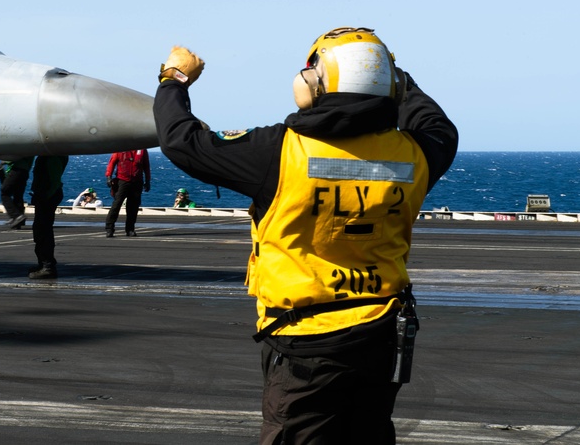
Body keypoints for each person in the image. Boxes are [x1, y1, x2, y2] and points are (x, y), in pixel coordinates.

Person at [153, 29, 458, 445]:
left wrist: (174, 79)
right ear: (393, 86)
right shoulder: (418, 152)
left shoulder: (278, 152)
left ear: (318, 81)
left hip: (307, 343)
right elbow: (436, 124)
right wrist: (400, 82)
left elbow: (181, 140)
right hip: (382, 333)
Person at [27, 155, 69, 279]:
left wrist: (45, 196)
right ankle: (44, 263)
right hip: (45, 195)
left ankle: (47, 266)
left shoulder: (52, 157)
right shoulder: (52, 155)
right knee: (42, 230)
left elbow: (54, 181)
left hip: (46, 196)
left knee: (42, 231)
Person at [104, 149, 151, 237]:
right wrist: (108, 176)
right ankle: (109, 229)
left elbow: (146, 165)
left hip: (137, 182)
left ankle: (130, 229)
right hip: (122, 181)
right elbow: (112, 162)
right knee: (116, 205)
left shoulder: (142, 150)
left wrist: (148, 181)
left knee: (133, 207)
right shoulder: (121, 148)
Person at [0, 157, 34, 229]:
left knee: (4, 193)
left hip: (16, 170)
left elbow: (17, 155)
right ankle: (19, 220)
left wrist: (5, 161)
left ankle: (16, 216)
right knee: (18, 195)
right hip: (25, 171)